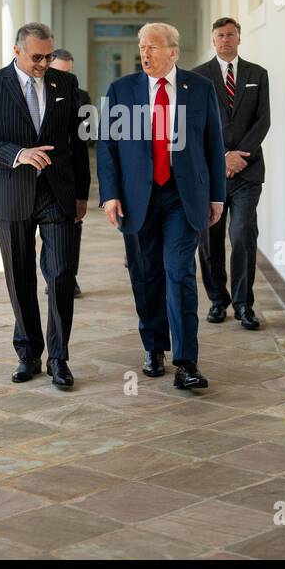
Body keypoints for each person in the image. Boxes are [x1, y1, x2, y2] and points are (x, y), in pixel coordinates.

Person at [96, 22, 226, 389]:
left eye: (152, 47)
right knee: (146, 275)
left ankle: (186, 362)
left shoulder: (200, 88)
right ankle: (154, 347)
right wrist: (109, 194)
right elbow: (107, 146)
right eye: (141, 47)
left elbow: (213, 144)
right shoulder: (123, 90)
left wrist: (216, 195)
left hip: (182, 198)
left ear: (173, 52)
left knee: (180, 274)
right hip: (138, 198)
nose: (145, 53)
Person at [0, 23, 89, 388]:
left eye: (48, 56)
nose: (43, 63)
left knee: (61, 275)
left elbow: (77, 144)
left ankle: (59, 358)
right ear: (17, 51)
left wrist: (82, 194)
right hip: (11, 192)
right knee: (19, 278)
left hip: (57, 194)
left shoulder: (65, 84)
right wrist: (17, 153)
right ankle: (28, 354)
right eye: (37, 57)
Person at [193, 17, 271, 330]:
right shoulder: (197, 77)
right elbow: (195, 125)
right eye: (220, 35)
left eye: (231, 35)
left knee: (242, 235)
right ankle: (217, 299)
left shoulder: (258, 74)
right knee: (210, 239)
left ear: (239, 38)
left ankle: (243, 304)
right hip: (211, 174)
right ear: (213, 40)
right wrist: (222, 156)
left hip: (248, 172)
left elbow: (263, 120)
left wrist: (239, 156)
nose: (225, 40)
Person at [46, 48, 91, 298]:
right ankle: (53, 274)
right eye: (60, 72)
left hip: (69, 175)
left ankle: (69, 276)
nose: (65, 78)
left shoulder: (80, 95)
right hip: (41, 173)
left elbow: (82, 140)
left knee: (72, 231)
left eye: (69, 73)